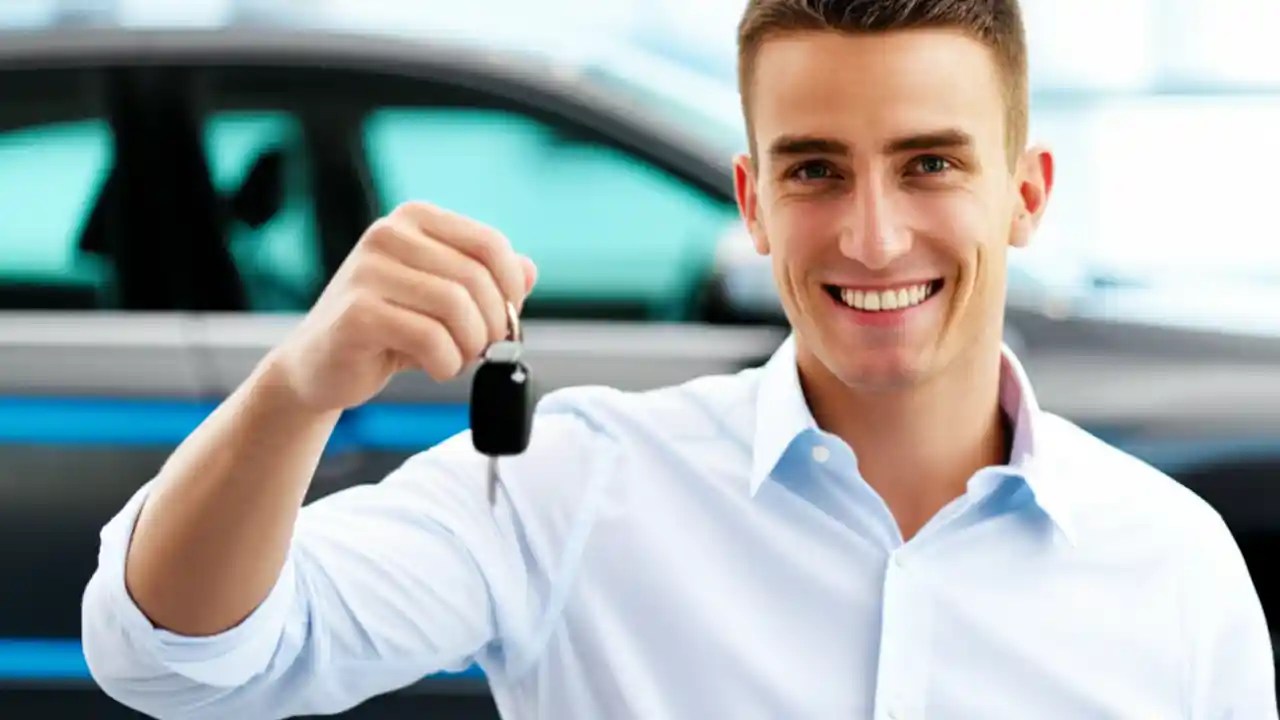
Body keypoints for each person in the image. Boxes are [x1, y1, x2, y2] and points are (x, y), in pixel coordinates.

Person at [81, 1, 1276, 718]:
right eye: (815, 170)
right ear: (751, 203)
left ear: (1023, 194)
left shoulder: (1173, 566)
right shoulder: (563, 488)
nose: (871, 237)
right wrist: (296, 389)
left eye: (928, 165)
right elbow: (177, 665)